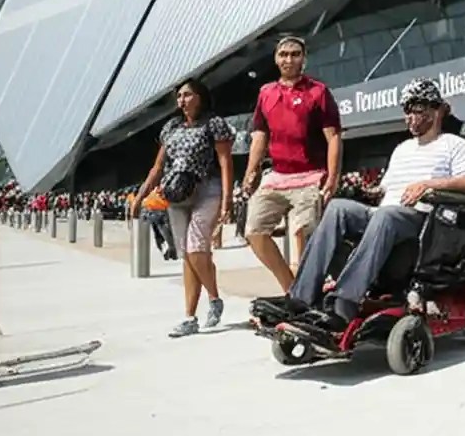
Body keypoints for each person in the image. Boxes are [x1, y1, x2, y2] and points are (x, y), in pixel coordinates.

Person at [281, 79, 465, 349]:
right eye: (406, 110)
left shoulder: (455, 145)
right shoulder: (402, 149)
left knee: (386, 216)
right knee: (338, 207)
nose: (409, 116)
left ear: (436, 111)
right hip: (386, 213)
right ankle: (301, 298)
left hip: (425, 219)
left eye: (415, 109)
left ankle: (344, 305)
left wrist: (429, 184)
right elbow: (386, 189)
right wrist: (367, 191)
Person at [132, 78, 235, 337]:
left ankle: (214, 299)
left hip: (206, 188)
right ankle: (190, 317)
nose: (182, 100)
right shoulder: (171, 127)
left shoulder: (214, 124)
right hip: (176, 191)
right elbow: (158, 166)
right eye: (179, 96)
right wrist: (140, 195)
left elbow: (225, 162)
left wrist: (227, 198)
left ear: (200, 96)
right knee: (187, 255)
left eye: (188, 95)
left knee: (196, 246)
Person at [242, 36, 343, 293]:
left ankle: (306, 292)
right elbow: (260, 136)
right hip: (277, 176)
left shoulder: (318, 92)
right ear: (276, 59)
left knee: (302, 235)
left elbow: (333, 137)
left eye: (295, 54)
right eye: (284, 54)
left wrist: (332, 176)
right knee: (253, 231)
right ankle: (291, 289)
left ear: (304, 58)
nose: (289, 59)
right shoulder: (266, 93)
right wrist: (251, 171)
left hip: (310, 176)